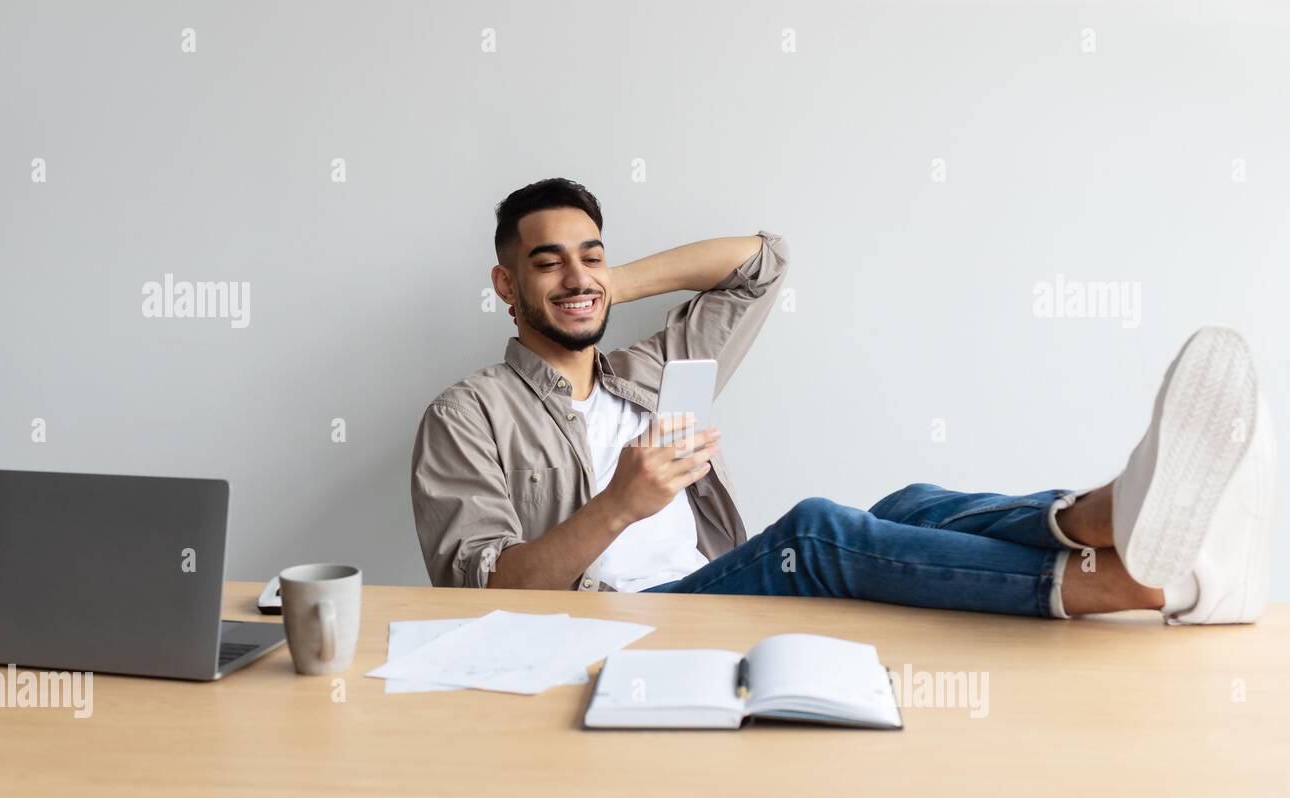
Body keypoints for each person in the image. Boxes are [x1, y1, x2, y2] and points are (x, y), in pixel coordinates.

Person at [410, 178, 1276, 624]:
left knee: (909, 504)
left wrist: (601, 285)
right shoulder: (467, 414)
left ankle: (1108, 516)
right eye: (547, 262)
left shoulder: (654, 372)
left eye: (588, 255)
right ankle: (1142, 588)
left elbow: (762, 261)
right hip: (637, 624)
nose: (575, 274)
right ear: (504, 284)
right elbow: (475, 592)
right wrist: (617, 508)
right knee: (816, 532)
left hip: (706, 586)